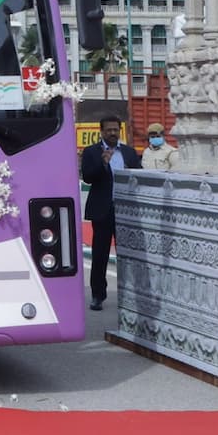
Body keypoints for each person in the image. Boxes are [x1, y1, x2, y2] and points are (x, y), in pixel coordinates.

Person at [79, 113, 141, 311]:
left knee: (129, 254)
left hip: (126, 211)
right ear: (102, 131)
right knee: (100, 255)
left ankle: (131, 296)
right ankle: (98, 295)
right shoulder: (91, 152)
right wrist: (103, 163)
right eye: (109, 130)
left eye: (116, 129)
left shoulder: (129, 153)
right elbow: (88, 177)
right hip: (103, 210)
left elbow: (140, 176)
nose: (113, 133)